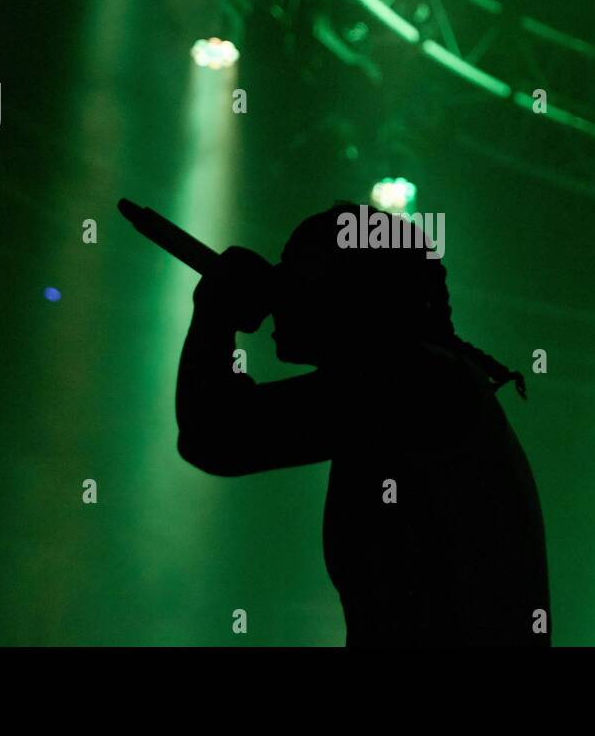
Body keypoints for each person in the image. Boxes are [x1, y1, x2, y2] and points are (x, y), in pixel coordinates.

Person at [175, 203, 550, 646]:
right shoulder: (427, 381)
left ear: (348, 288)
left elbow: (215, 435)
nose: (278, 284)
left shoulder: (417, 381)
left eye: (295, 267)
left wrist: (215, 309)